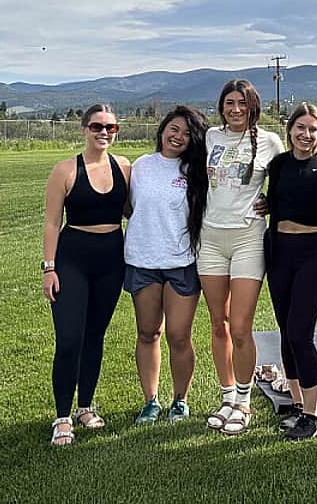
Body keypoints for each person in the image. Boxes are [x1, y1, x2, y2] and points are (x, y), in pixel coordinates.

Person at [42, 104, 131, 447]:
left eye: (111, 127)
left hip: (111, 258)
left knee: (95, 336)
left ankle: (85, 407)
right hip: (72, 259)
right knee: (69, 340)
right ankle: (62, 417)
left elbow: (131, 210)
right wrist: (49, 268)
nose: (104, 133)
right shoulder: (65, 170)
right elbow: (52, 222)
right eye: (97, 126)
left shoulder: (123, 167)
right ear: (84, 129)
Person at [199, 79, 284, 435]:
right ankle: (227, 395)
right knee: (218, 323)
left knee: (240, 326)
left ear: (253, 107)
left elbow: (284, 185)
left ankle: (245, 402)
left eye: (242, 104)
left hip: (248, 237)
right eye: (229, 103)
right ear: (222, 106)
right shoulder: (211, 138)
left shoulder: (270, 142)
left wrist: (270, 202)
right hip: (211, 238)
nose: (235, 109)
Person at [264, 103, 317, 440]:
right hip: (278, 252)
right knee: (285, 332)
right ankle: (298, 406)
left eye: (313, 129)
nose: (306, 134)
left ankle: (312, 417)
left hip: (315, 254)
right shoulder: (278, 165)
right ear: (290, 130)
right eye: (300, 127)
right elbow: (271, 201)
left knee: (300, 332)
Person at [124, 106, 209, 426]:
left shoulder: (196, 170)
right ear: (161, 130)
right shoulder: (141, 167)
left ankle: (180, 400)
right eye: (174, 129)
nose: (179, 137)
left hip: (181, 262)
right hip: (143, 260)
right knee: (148, 333)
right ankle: (150, 401)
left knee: (178, 335)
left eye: (187, 133)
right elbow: (128, 207)